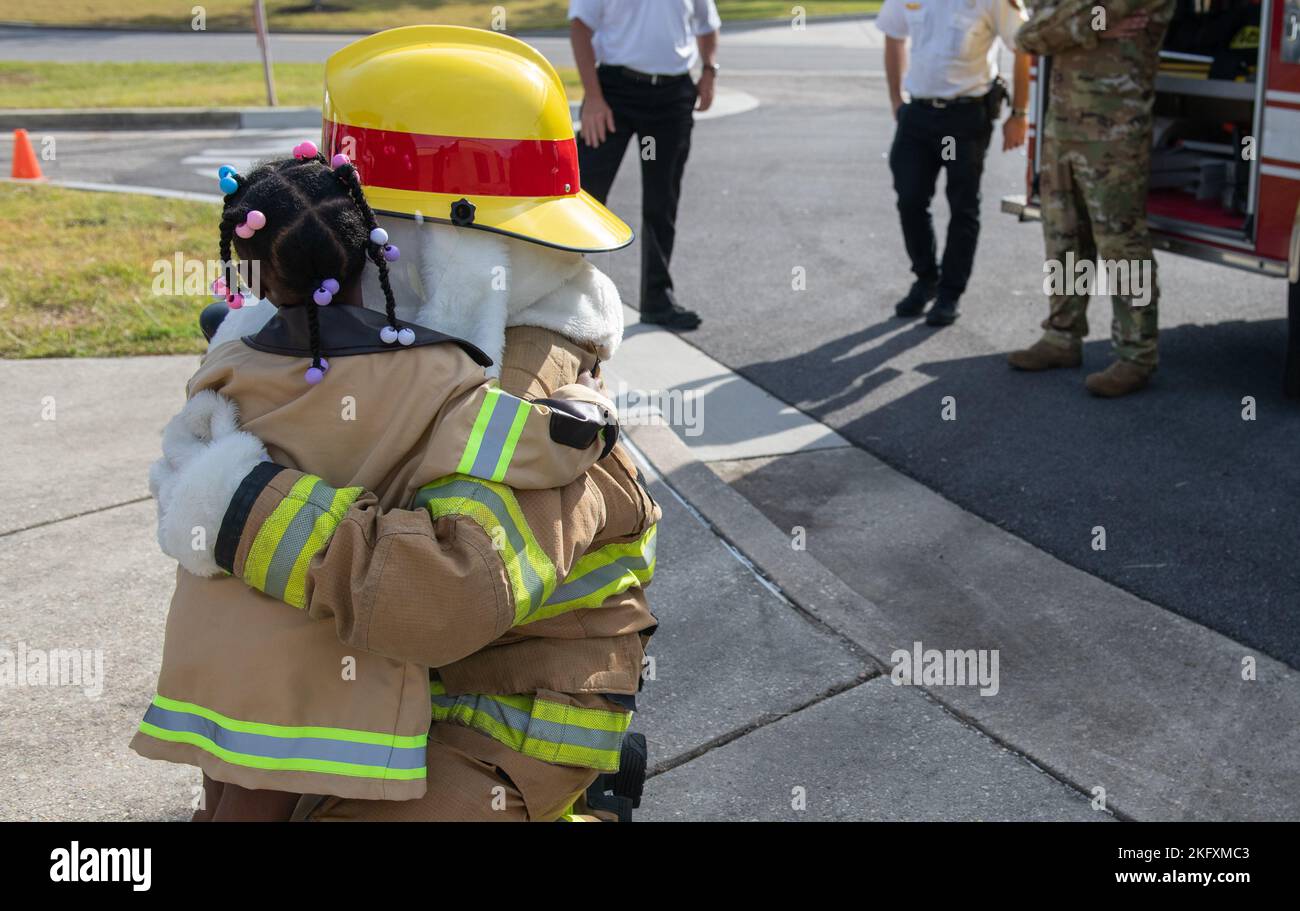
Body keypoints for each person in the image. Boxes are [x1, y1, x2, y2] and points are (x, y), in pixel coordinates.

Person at [146, 27, 662, 822]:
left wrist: (240, 505)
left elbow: (440, 602)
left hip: (508, 713)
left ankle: (583, 804)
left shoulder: (519, 393)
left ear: (430, 247)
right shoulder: (429, 341)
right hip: (401, 680)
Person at [1008, 0, 1174, 397]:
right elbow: (1041, 13)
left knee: (1121, 244)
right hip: (1063, 127)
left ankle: (1136, 355)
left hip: (1114, 134)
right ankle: (1062, 338)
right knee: (1064, 239)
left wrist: (1066, 24)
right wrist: (1080, 24)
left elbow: (1037, 31)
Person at [569, 0, 721, 331]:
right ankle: (560, 294)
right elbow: (580, 27)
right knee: (584, 196)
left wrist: (709, 70)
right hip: (613, 91)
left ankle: (657, 299)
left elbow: (707, 25)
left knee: (661, 201)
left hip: (672, 96)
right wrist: (593, 97)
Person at [878, 0, 1031, 326]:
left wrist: (1019, 114)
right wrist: (895, 100)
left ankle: (950, 292)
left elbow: (1023, 46)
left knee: (962, 205)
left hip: (962, 120)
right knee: (910, 199)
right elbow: (893, 35)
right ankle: (926, 277)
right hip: (917, 117)